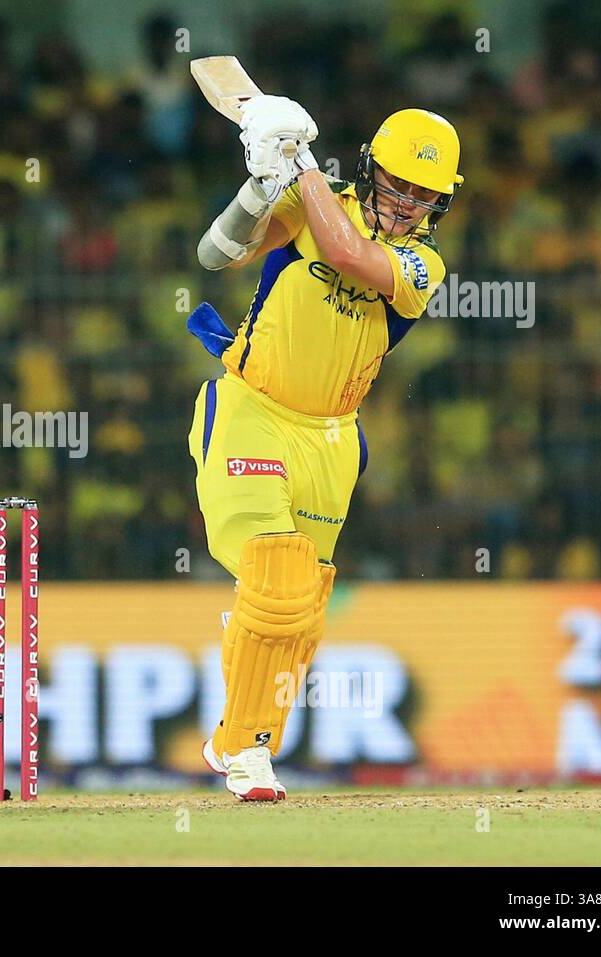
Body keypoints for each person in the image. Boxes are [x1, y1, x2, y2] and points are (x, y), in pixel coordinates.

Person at [188, 100, 461, 800]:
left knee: (302, 609)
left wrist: (300, 164)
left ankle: (239, 740)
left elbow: (347, 254)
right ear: (370, 172)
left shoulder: (421, 263)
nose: (406, 203)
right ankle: (249, 753)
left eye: (423, 194)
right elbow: (215, 254)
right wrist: (259, 184)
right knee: (276, 577)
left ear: (441, 203)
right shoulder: (311, 204)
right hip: (252, 408)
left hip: (331, 438)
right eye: (397, 184)